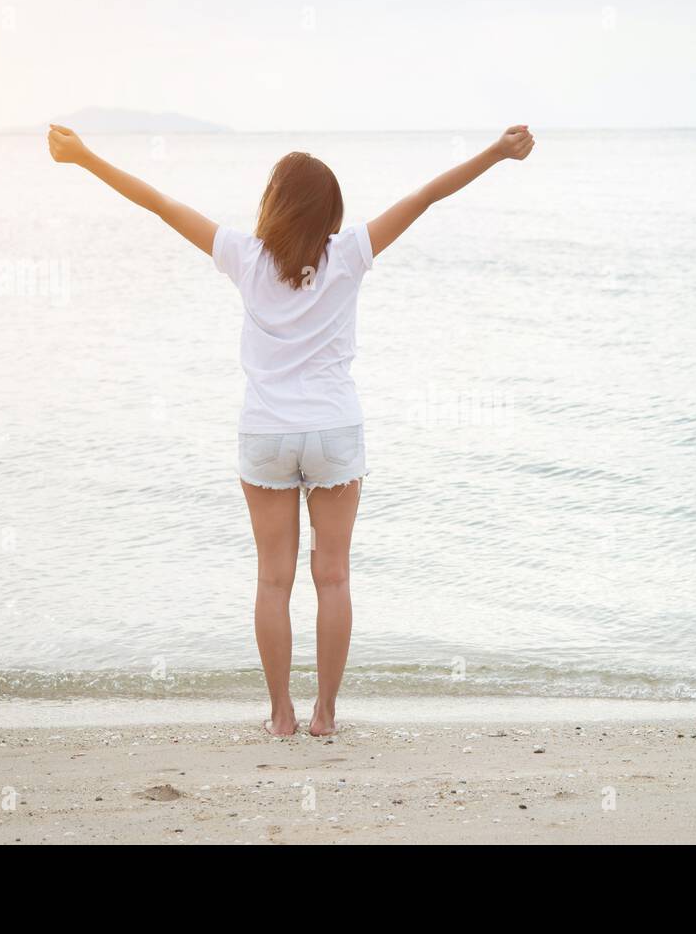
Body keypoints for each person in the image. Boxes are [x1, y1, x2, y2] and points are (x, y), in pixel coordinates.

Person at [47, 122, 536, 735]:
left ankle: (281, 714)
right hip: (332, 431)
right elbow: (425, 197)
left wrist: (86, 156)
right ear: (331, 210)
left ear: (273, 204)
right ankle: (325, 715)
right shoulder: (351, 253)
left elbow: (159, 203)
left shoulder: (242, 257)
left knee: (272, 580)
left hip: (267, 434)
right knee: (332, 577)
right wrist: (495, 152)